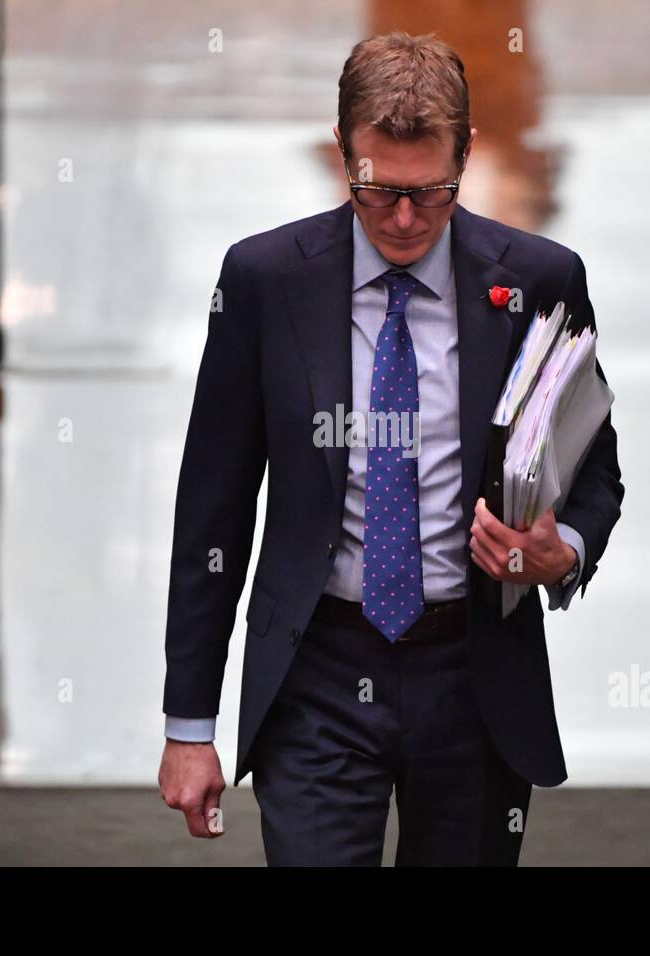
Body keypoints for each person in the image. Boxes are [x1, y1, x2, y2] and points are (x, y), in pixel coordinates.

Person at [158, 31, 623, 865]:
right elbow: (213, 511)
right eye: (378, 192)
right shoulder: (265, 281)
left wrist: (562, 551)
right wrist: (189, 724)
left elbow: (596, 471)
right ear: (342, 155)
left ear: (468, 155)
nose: (404, 219)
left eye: (432, 193)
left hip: (476, 677)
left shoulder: (540, 282)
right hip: (316, 674)